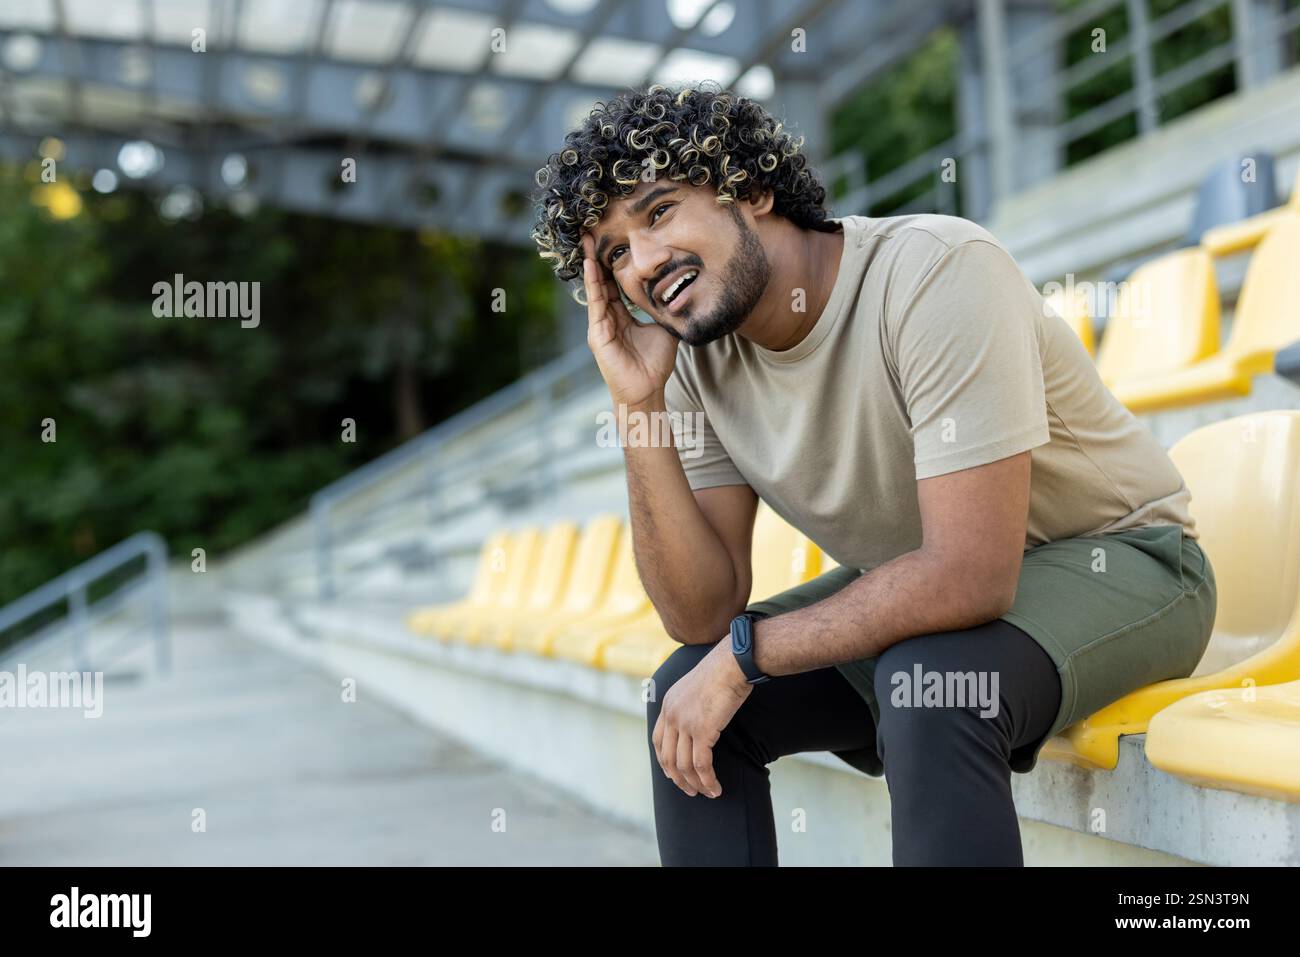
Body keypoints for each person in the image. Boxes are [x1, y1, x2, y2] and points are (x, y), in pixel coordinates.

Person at [529, 81, 1216, 866]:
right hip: (936, 594)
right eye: (615, 250)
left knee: (930, 685)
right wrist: (638, 404)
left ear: (748, 188)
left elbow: (969, 574)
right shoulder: (693, 364)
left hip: (1131, 561)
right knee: (686, 696)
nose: (644, 262)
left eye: (658, 211)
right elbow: (701, 613)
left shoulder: (936, 271)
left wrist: (750, 653)